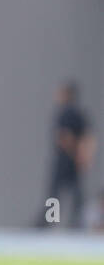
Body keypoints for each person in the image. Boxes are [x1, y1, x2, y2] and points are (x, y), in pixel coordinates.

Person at [43, 80, 93, 229]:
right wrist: (84, 155)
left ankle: (51, 222)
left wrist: (74, 152)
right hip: (74, 160)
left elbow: (64, 137)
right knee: (76, 193)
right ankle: (77, 223)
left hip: (65, 160)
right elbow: (88, 136)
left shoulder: (65, 113)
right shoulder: (79, 113)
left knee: (55, 194)